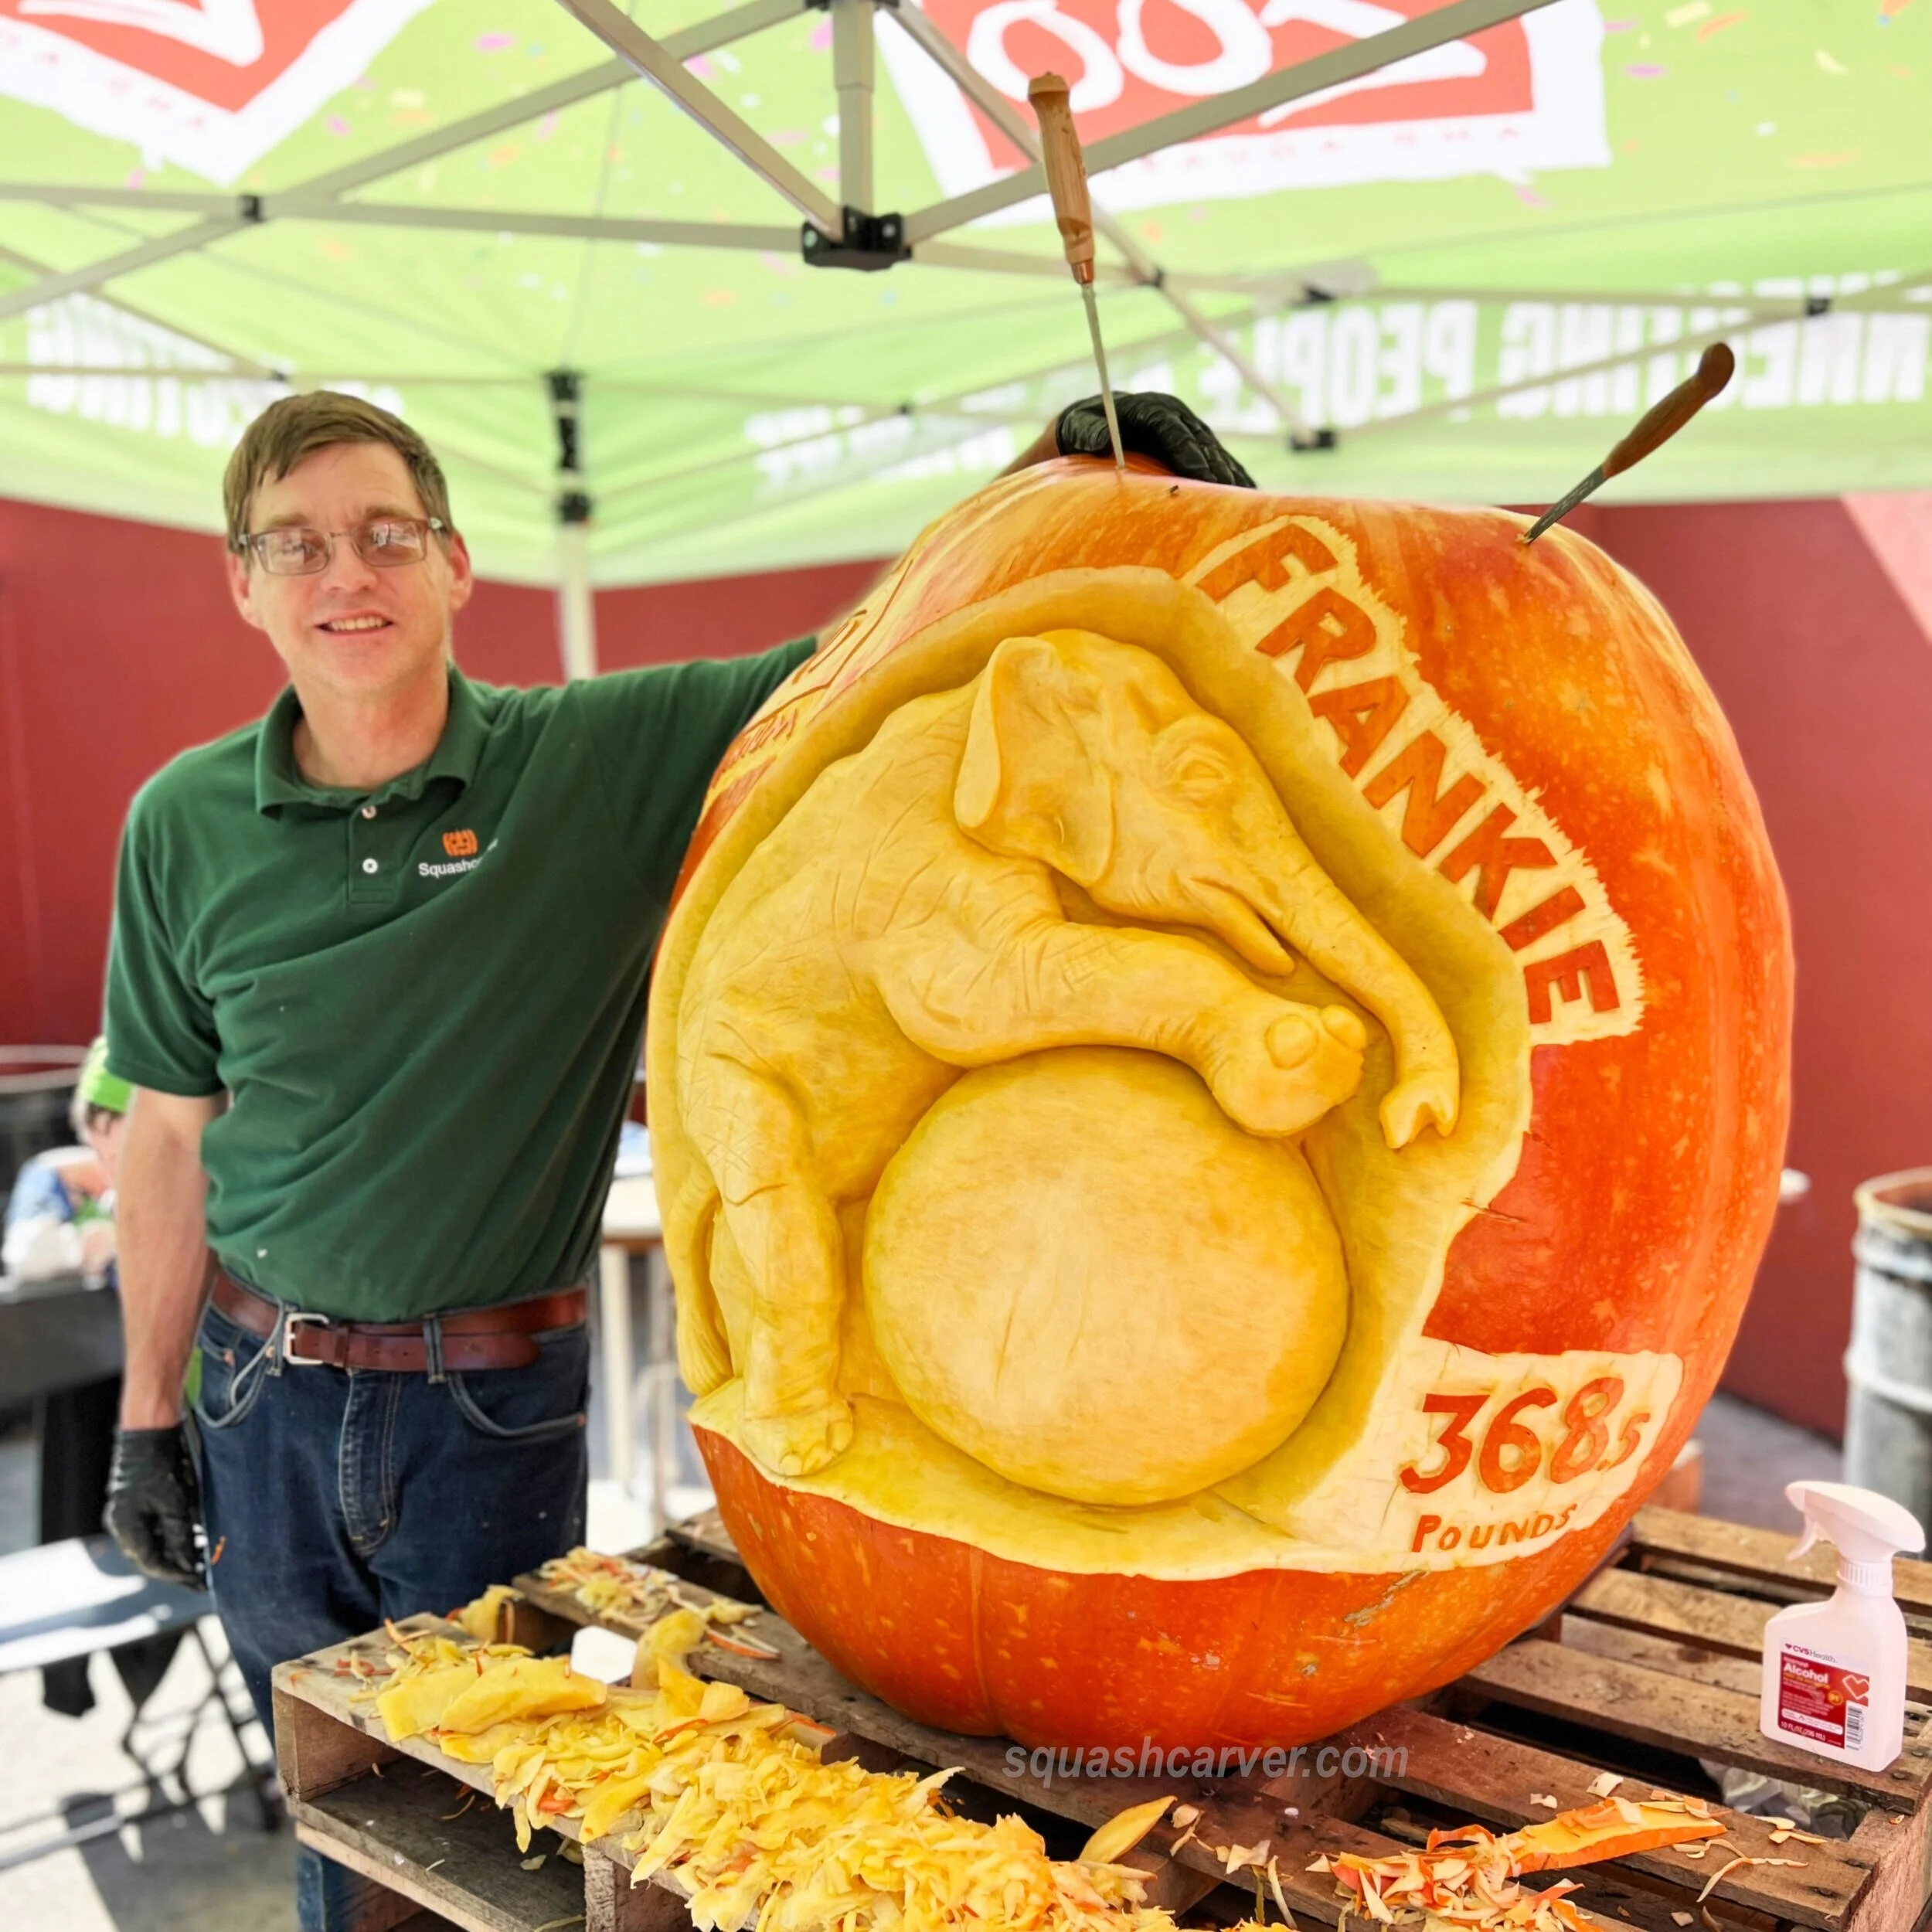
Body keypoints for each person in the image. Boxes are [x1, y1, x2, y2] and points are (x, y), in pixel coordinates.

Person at [97, 386, 1250, 1929]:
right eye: (294, 545)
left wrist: (1044, 475)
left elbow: (858, 652)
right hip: (257, 1398)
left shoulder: (586, 763)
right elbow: (168, 1136)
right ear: (243, 583)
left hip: (479, 1407)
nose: (342, 573)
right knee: (333, 1809)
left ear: (454, 562)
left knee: (492, 1827)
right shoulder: (179, 823)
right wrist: (144, 1415)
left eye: (383, 533)